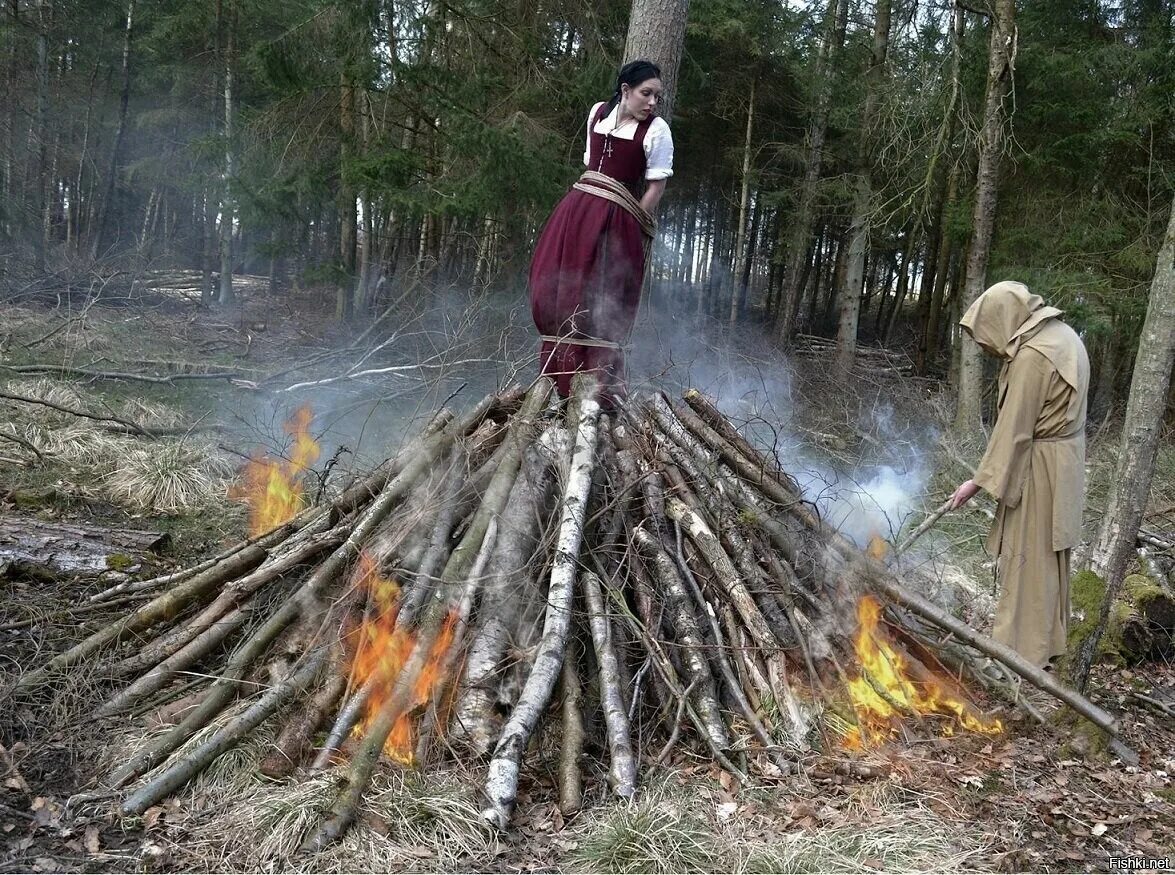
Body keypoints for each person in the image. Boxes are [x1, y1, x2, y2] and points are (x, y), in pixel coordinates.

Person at [949, 281, 1090, 670]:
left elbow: (1014, 430)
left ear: (1004, 318)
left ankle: (1018, 654)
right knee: (1049, 555)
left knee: (1028, 558)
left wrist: (976, 483)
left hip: (1040, 466)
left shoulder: (1033, 356)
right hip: (1064, 460)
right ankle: (1047, 643)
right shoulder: (1062, 335)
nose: (987, 345)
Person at [528, 59, 674, 405]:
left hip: (616, 222)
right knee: (558, 285)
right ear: (625, 90)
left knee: (602, 296)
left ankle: (597, 393)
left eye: (657, 96)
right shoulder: (597, 113)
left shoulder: (657, 130)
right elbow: (590, 163)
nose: (652, 102)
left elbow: (656, 186)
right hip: (575, 214)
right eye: (646, 93)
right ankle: (556, 385)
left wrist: (633, 220)